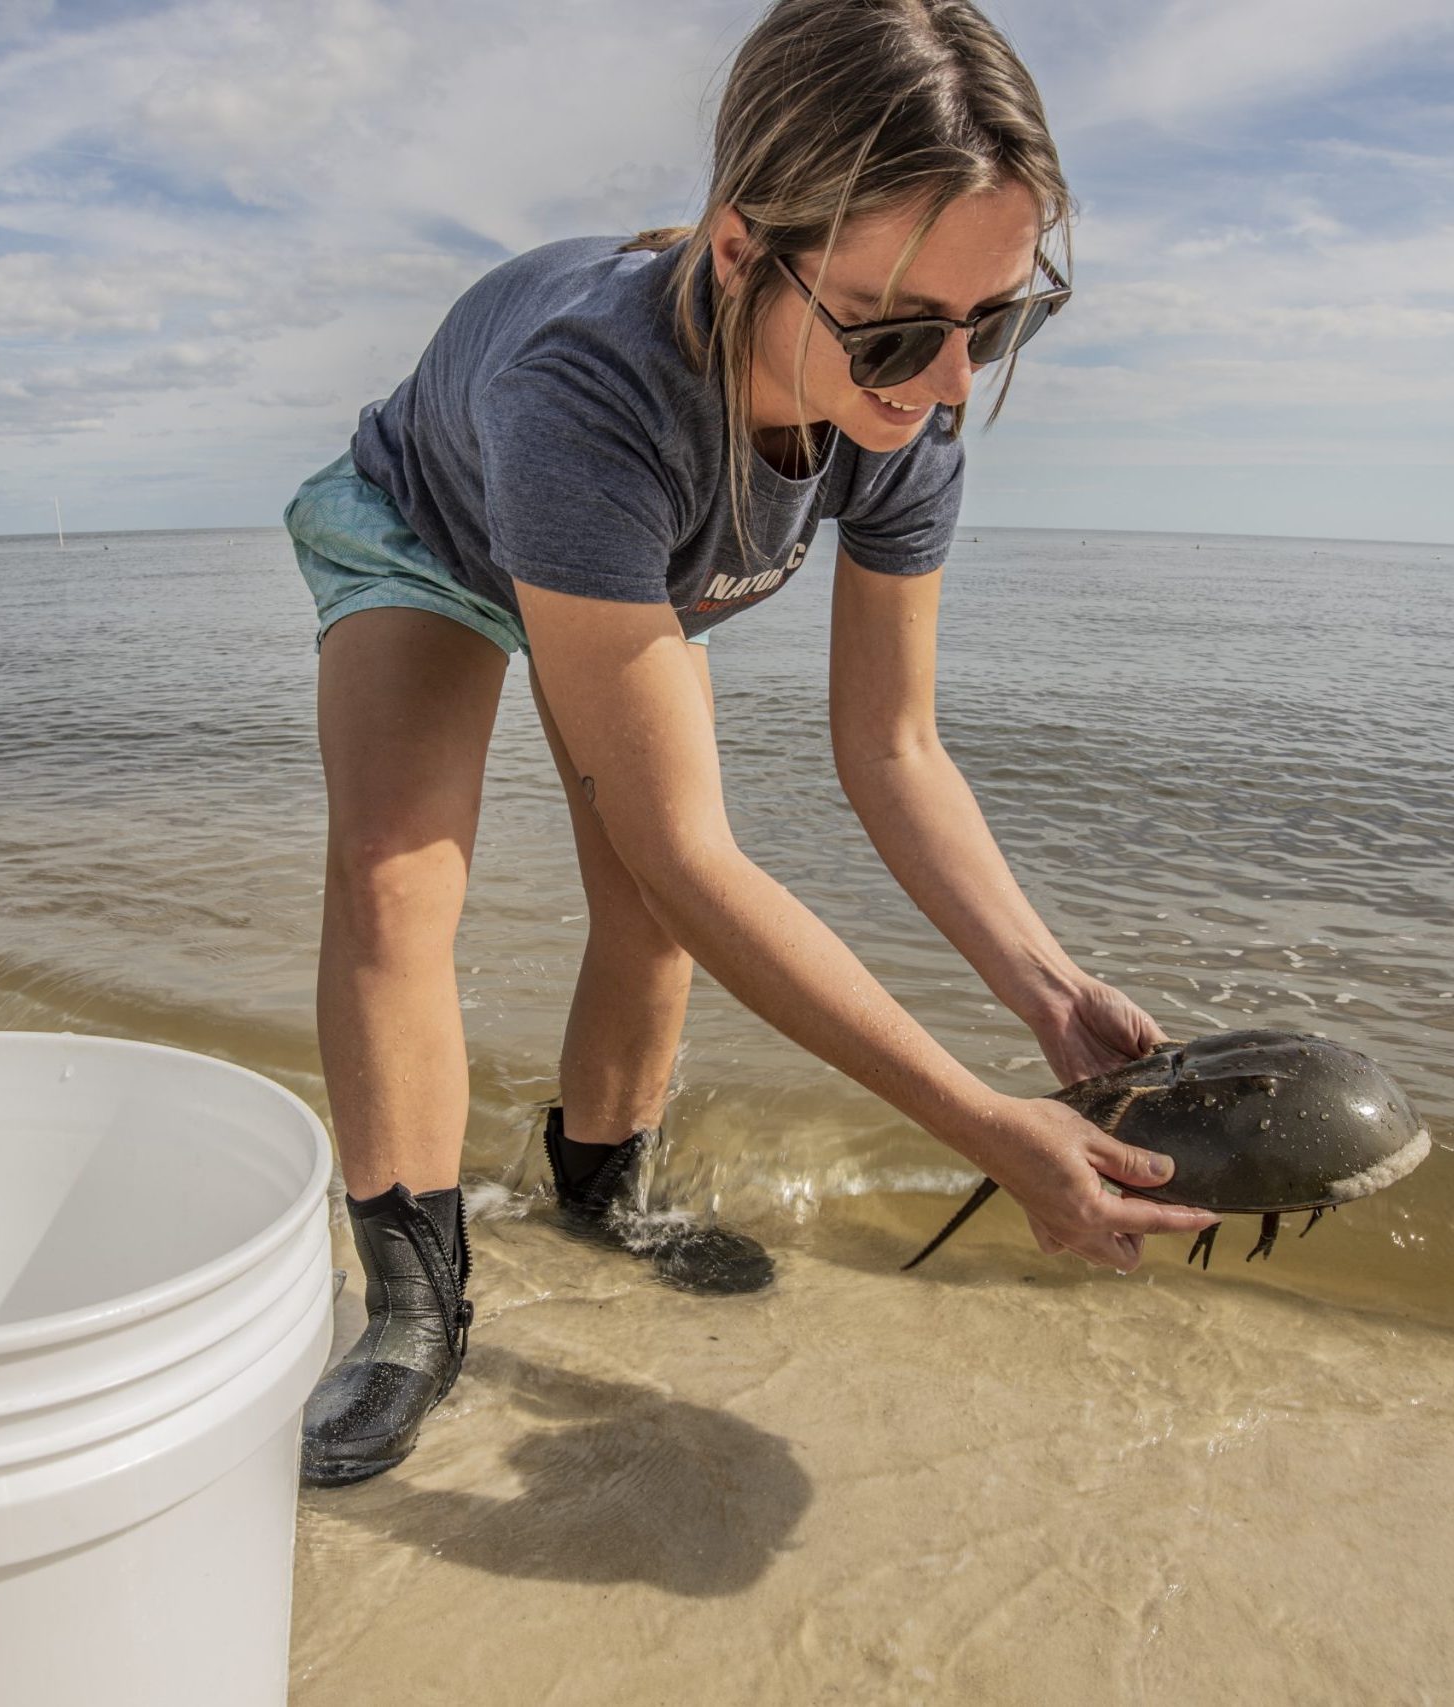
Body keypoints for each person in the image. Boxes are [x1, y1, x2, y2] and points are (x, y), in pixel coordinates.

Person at [283, 0, 1216, 1489]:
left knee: (647, 916)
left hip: (626, 574)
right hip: (434, 532)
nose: (958, 378)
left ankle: (603, 1191)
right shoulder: (579, 395)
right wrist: (984, 1125)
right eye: (906, 328)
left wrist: (1047, 996)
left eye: (1005, 316)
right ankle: (412, 1303)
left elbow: (895, 751)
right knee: (403, 877)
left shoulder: (911, 401)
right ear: (738, 254)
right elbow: (697, 850)